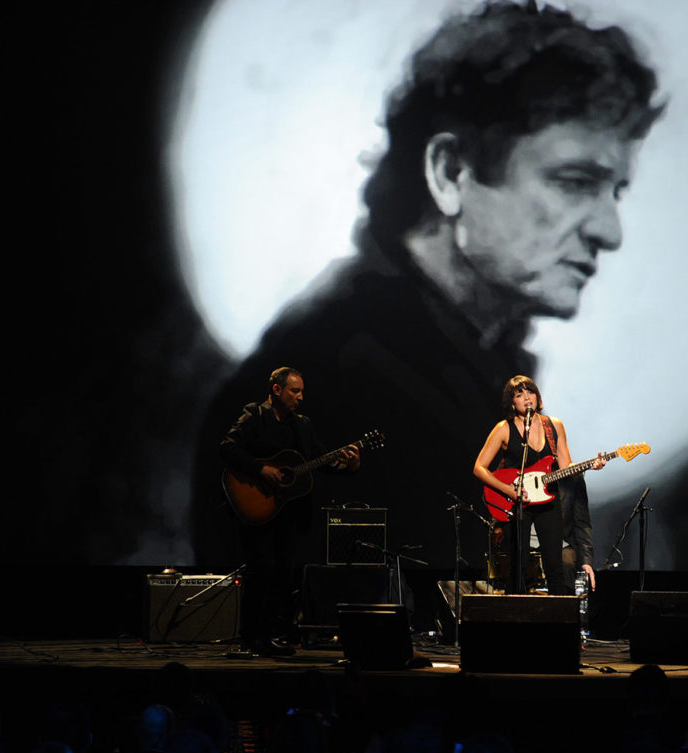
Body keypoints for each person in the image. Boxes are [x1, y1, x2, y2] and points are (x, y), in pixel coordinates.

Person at [193, 0, 664, 574]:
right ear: (449, 172)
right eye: (573, 181)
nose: (609, 232)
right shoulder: (337, 365)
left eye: (614, 192)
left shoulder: (472, 359)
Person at [219, 367, 360, 656]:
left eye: (301, 391)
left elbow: (320, 461)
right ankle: (251, 636)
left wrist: (349, 464)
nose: (300, 397)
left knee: (283, 573)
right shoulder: (255, 415)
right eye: (295, 391)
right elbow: (228, 447)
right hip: (257, 506)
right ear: (276, 390)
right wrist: (261, 469)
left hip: (288, 513)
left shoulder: (302, 425)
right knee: (260, 571)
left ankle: (273, 634)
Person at [473, 375, 602, 595]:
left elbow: (565, 466)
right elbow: (479, 467)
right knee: (518, 568)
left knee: (555, 567)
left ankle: (559, 620)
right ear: (512, 402)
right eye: (519, 395)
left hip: (548, 503)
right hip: (517, 506)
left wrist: (590, 465)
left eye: (530, 392)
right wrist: (508, 491)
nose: (526, 398)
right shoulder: (504, 429)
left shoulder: (554, 426)